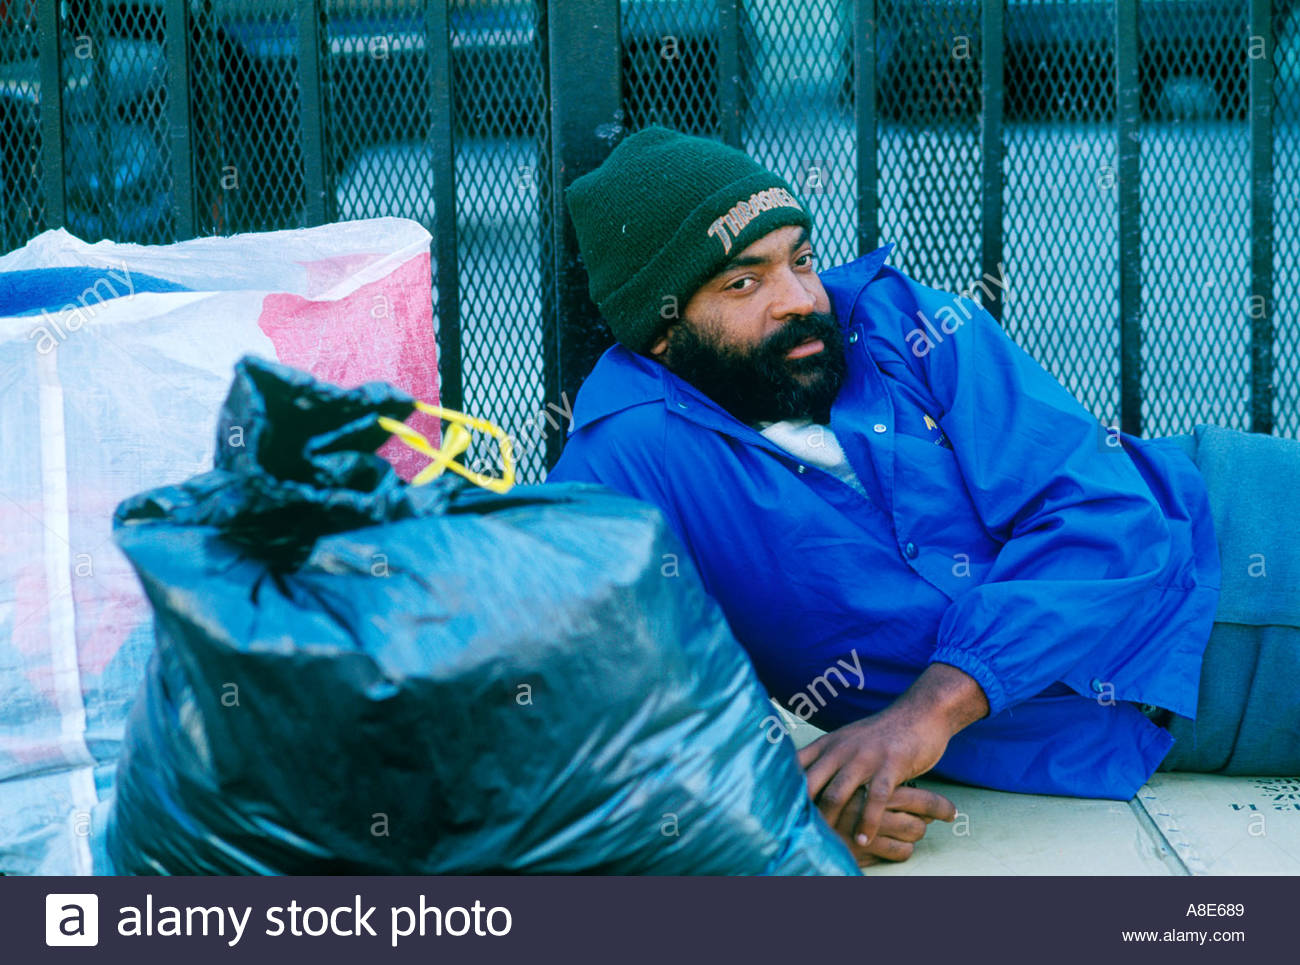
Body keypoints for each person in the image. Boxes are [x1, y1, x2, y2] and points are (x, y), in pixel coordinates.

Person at [545, 125, 1300, 865]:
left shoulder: (902, 323)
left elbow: (1103, 512)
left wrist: (929, 710)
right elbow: (595, 705)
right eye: (745, 282)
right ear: (660, 332)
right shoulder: (628, 458)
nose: (799, 299)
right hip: (1209, 703)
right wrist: (772, 813)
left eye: (800, 260)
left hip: (1248, 523)